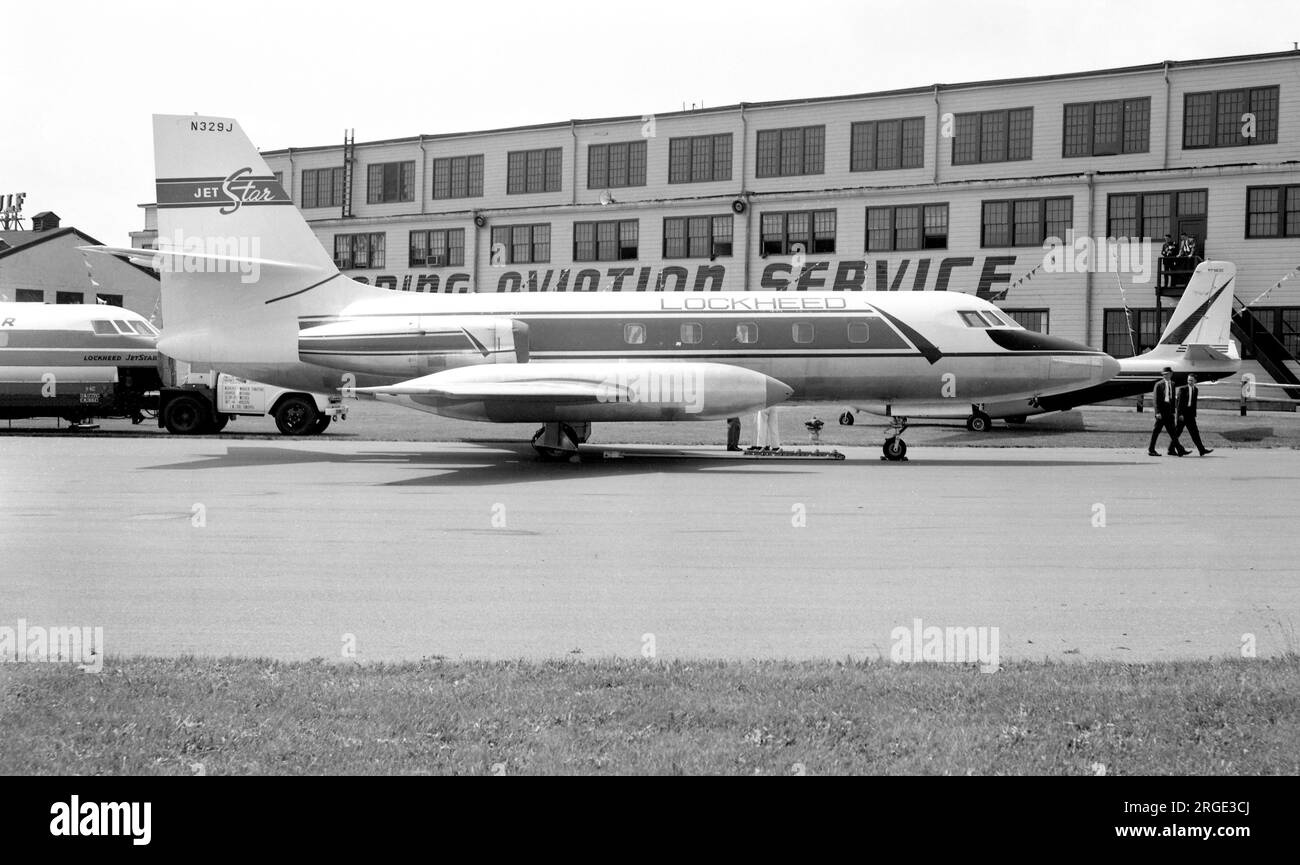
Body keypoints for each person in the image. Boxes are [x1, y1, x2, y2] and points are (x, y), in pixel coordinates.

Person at [1148, 367, 1188, 457]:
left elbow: (1173, 399)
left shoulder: (1173, 384)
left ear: (1171, 374)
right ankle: (1151, 449)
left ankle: (1176, 450)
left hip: (1169, 411)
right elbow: (1155, 399)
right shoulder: (1158, 384)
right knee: (1156, 431)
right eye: (1164, 374)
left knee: (1172, 432)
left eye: (1167, 374)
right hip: (1161, 412)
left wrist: (1173, 411)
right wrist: (1157, 412)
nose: (1166, 375)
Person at [1174, 374, 1214, 456]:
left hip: (1190, 415)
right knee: (1177, 433)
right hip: (1182, 415)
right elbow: (1178, 404)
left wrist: (1194, 414)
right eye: (1188, 380)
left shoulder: (1196, 390)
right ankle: (1170, 449)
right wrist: (1180, 414)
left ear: (1195, 381)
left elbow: (1194, 404)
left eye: (1191, 380)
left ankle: (1201, 450)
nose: (1190, 382)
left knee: (1195, 433)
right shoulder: (1183, 389)